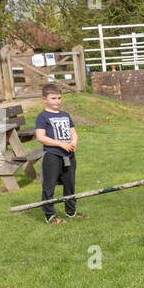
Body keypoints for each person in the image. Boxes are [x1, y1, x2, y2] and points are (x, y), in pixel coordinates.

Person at [35, 83, 84, 224]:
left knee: (70, 185)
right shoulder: (42, 116)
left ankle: (71, 212)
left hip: (69, 156)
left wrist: (74, 142)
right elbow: (40, 137)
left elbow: (73, 132)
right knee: (49, 187)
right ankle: (50, 216)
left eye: (59, 98)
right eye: (53, 98)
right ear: (45, 99)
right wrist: (60, 144)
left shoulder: (65, 115)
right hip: (52, 155)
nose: (57, 101)